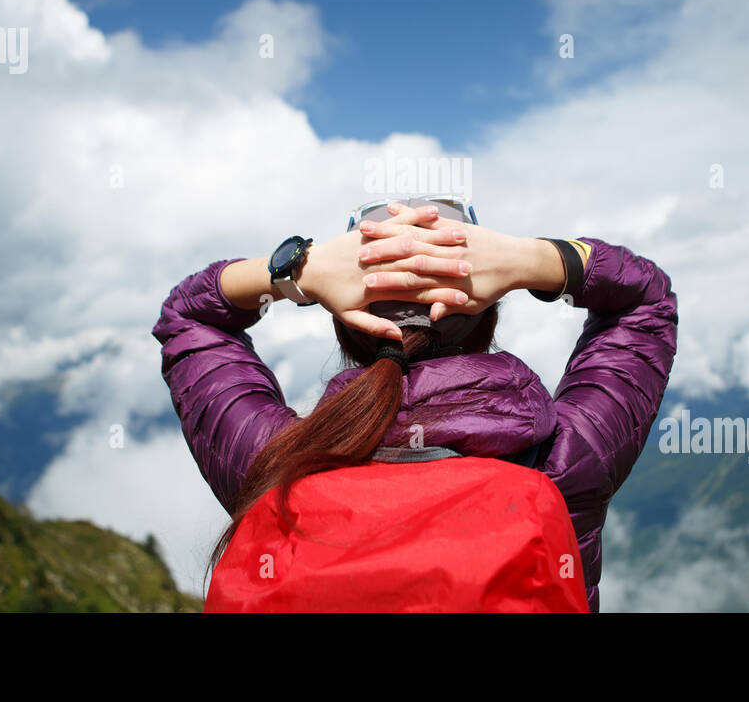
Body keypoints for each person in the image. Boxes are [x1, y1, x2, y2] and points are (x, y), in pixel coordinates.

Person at [151, 198, 678, 612]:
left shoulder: (275, 463)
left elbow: (188, 319)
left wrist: (296, 272)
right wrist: (532, 260)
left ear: (345, 325)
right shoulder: (566, 461)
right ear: (490, 314)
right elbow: (646, 302)